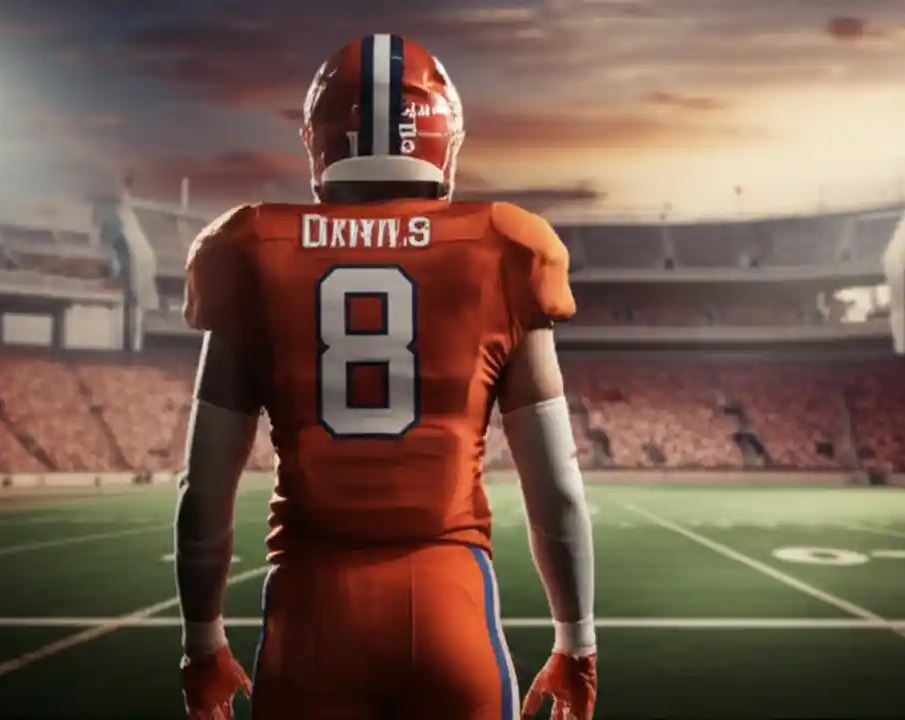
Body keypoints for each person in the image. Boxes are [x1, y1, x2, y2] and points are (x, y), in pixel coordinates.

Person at [174, 33, 597, 720]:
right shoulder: (503, 245)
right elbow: (557, 489)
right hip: (449, 599)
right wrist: (576, 640)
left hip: (311, 609)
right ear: (443, 140)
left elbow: (205, 487)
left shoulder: (249, 249)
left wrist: (201, 643)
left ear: (320, 141)